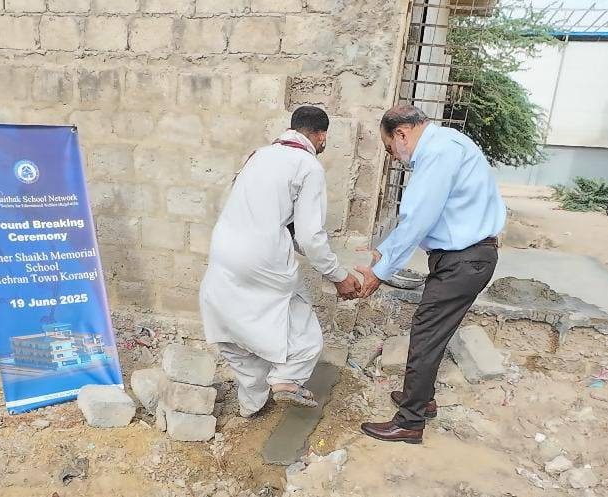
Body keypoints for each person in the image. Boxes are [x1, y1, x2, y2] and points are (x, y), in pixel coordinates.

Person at [354, 105, 506, 444]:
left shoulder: (437, 152)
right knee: (434, 332)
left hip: (464, 260)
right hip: (466, 258)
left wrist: (379, 271)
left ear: (402, 133)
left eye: (390, 148)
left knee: (425, 333)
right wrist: (387, 248)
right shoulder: (448, 144)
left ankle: (409, 422)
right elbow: (428, 217)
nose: (393, 157)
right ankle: (421, 400)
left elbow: (419, 217)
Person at [200, 106, 362, 418]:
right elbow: (311, 236)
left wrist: (332, 266)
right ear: (320, 135)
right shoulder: (308, 166)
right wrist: (339, 276)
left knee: (232, 329)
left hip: (223, 249)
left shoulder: (258, 156)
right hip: (264, 256)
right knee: (300, 324)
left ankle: (251, 404)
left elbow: (284, 226)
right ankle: (286, 380)